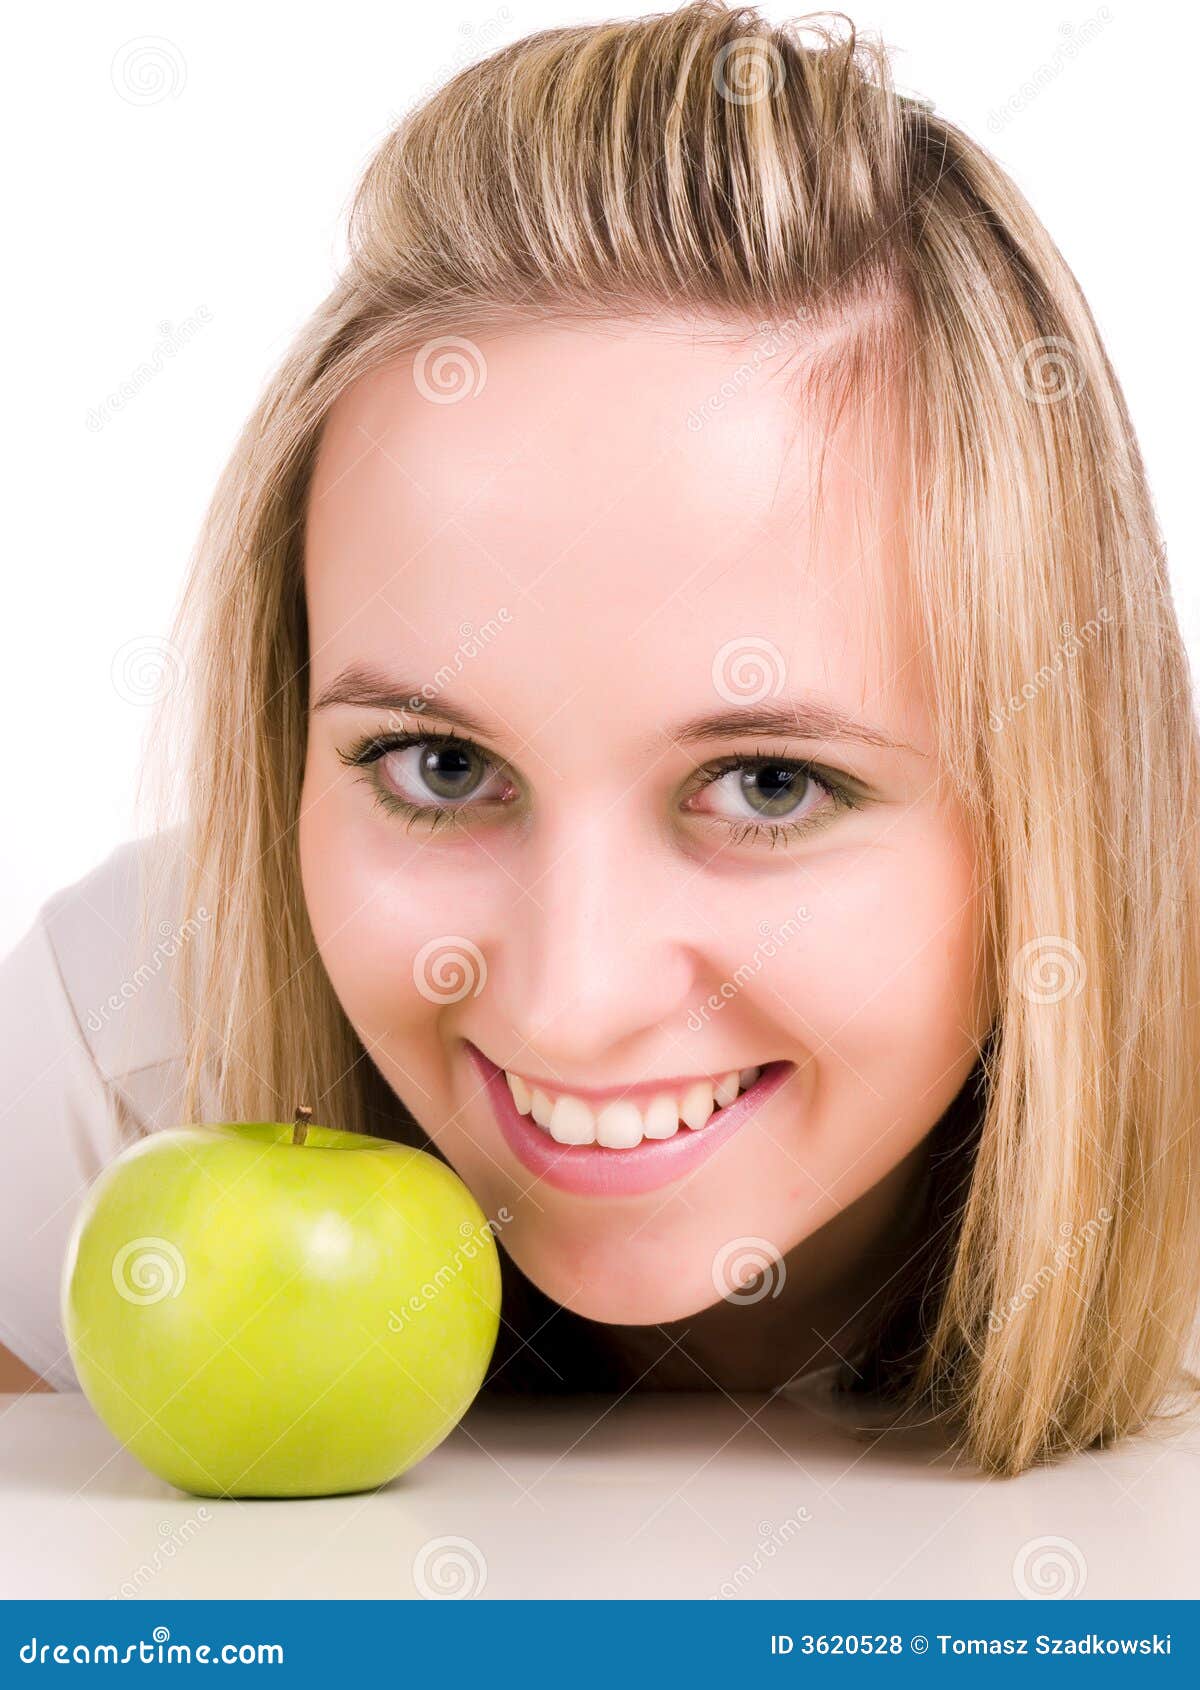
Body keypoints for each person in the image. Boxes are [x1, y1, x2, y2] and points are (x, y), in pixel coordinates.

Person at [3, 2, 1198, 1477]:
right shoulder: (119, 1063)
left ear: (1059, 792)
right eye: (438, 766)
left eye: (769, 784)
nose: (570, 1004)